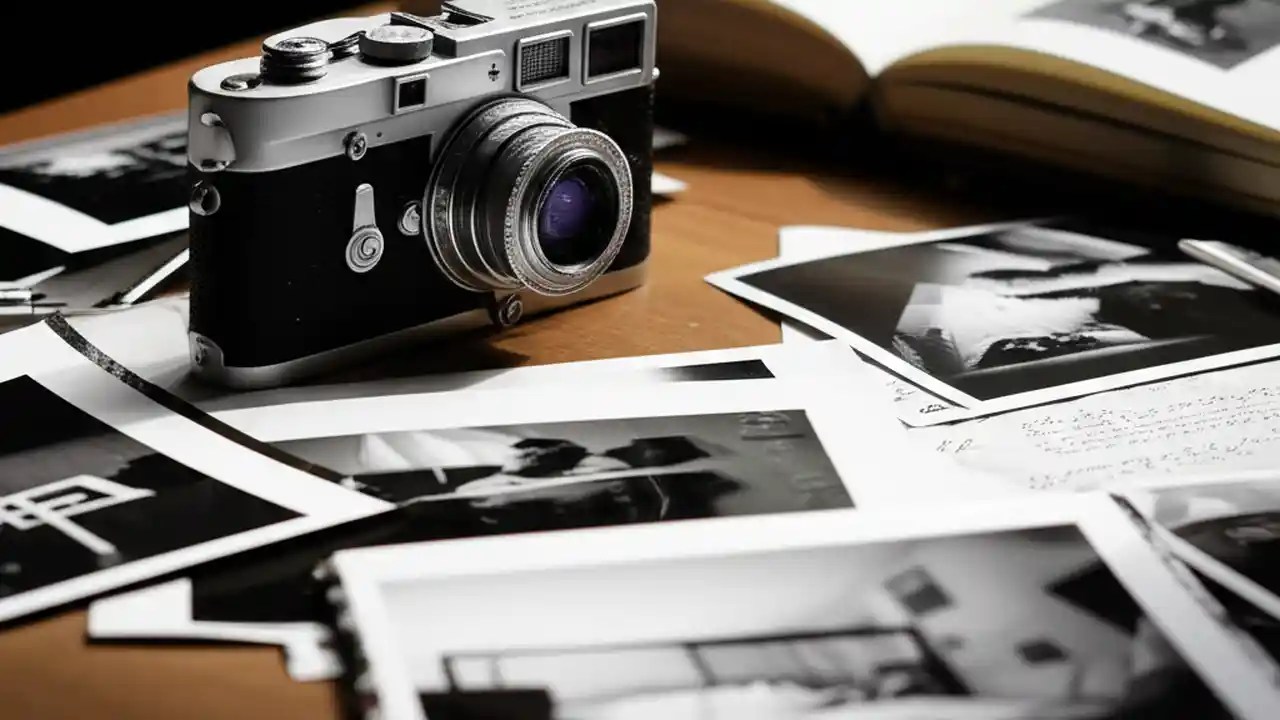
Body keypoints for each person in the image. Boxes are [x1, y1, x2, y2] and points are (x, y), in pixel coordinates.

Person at [1122, 0, 1248, 49]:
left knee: (1195, 39)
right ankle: (1156, 21)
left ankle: (1156, 21)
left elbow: (1203, 9)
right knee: (1194, 38)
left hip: (1175, 13)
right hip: (1168, 12)